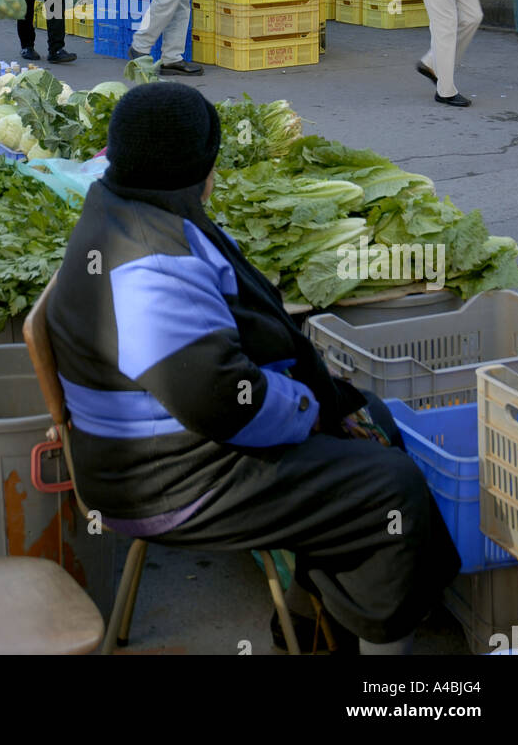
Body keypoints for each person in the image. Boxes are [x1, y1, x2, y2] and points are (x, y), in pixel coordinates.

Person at [46, 82, 461, 654]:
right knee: (386, 489)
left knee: (375, 420)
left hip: (162, 450)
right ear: (200, 169)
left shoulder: (127, 204)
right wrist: (311, 409)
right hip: (162, 480)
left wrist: (326, 405)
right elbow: (219, 400)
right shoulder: (147, 265)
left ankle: (315, 624)